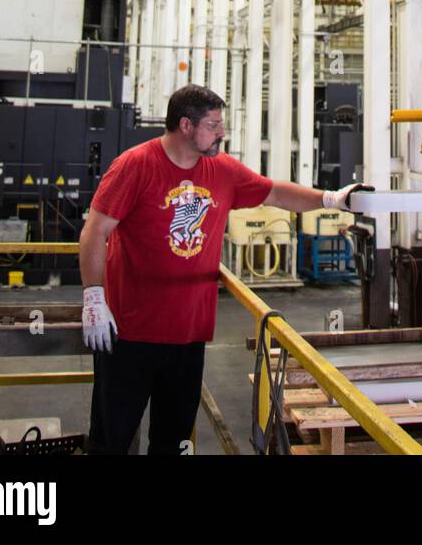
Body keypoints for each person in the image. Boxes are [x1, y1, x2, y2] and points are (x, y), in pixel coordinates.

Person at [79, 84, 367, 455]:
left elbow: (275, 193)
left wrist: (331, 199)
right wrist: (93, 298)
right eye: (214, 125)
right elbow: (94, 231)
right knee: (111, 439)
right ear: (186, 125)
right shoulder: (136, 165)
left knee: (173, 441)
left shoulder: (222, 170)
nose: (222, 133)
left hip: (187, 336)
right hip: (130, 333)